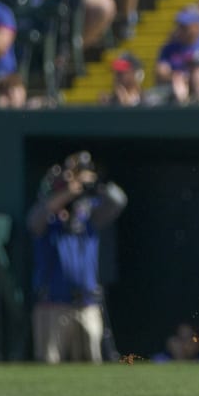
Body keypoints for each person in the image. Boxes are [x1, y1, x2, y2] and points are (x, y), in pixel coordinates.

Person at [29, 151, 127, 364]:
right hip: (53, 305)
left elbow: (118, 200)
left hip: (87, 303)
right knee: (49, 365)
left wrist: (95, 184)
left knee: (91, 364)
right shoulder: (48, 220)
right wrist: (68, 190)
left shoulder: (88, 217)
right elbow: (36, 218)